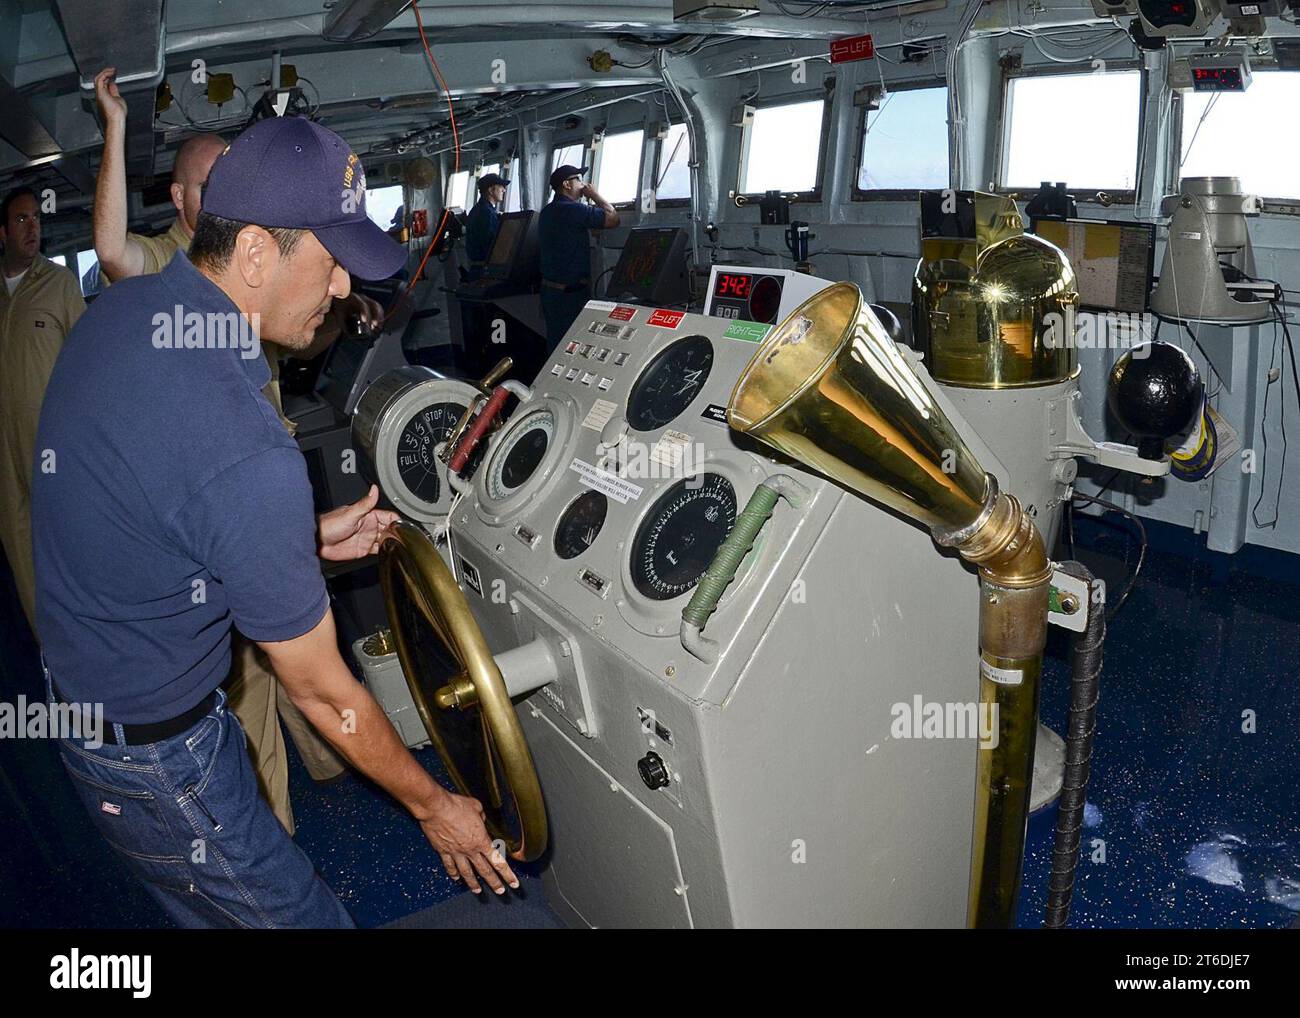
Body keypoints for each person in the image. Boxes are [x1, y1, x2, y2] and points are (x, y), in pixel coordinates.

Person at [32, 115, 518, 928]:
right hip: (159, 756)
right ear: (256, 251)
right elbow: (328, 697)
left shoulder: (125, 311)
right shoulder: (247, 449)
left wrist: (298, 540)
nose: (339, 292)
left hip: (92, 705)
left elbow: (157, 502)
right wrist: (435, 806)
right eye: (331, 266)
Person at [91, 67, 365, 832]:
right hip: (221, 496)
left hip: (265, 476)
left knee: (297, 637)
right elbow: (111, 252)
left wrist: (341, 302)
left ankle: (330, 761)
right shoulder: (168, 271)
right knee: (252, 673)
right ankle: (275, 824)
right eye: (209, 182)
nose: (229, 190)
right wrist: (115, 127)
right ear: (180, 203)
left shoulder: (264, 266)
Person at [0, 187, 85, 632]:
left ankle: (90, 631)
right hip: (2, 455)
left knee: (66, 541)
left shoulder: (60, 284)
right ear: (2, 231)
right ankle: (50, 648)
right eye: (21, 220)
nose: (33, 227)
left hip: (51, 447)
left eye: (36, 218)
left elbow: (83, 362)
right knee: (20, 552)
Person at [537, 165, 619, 353]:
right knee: (571, 347)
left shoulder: (548, 211)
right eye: (579, 180)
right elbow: (613, 218)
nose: (583, 185)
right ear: (566, 184)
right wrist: (594, 195)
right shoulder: (572, 210)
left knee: (556, 344)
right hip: (570, 295)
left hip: (551, 291)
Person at [463, 172, 509, 281]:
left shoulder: (479, 210)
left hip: (478, 267)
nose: (504, 190)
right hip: (484, 270)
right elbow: (491, 243)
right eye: (501, 187)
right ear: (491, 190)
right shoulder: (486, 213)